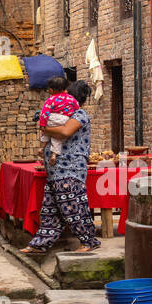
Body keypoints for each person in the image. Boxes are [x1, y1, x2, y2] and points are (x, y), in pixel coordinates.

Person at [22, 78, 99, 255]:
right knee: (50, 210)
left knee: (72, 207)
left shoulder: (79, 115)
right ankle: (40, 243)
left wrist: (44, 127)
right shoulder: (62, 116)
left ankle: (88, 240)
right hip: (55, 171)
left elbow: (65, 132)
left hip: (70, 170)